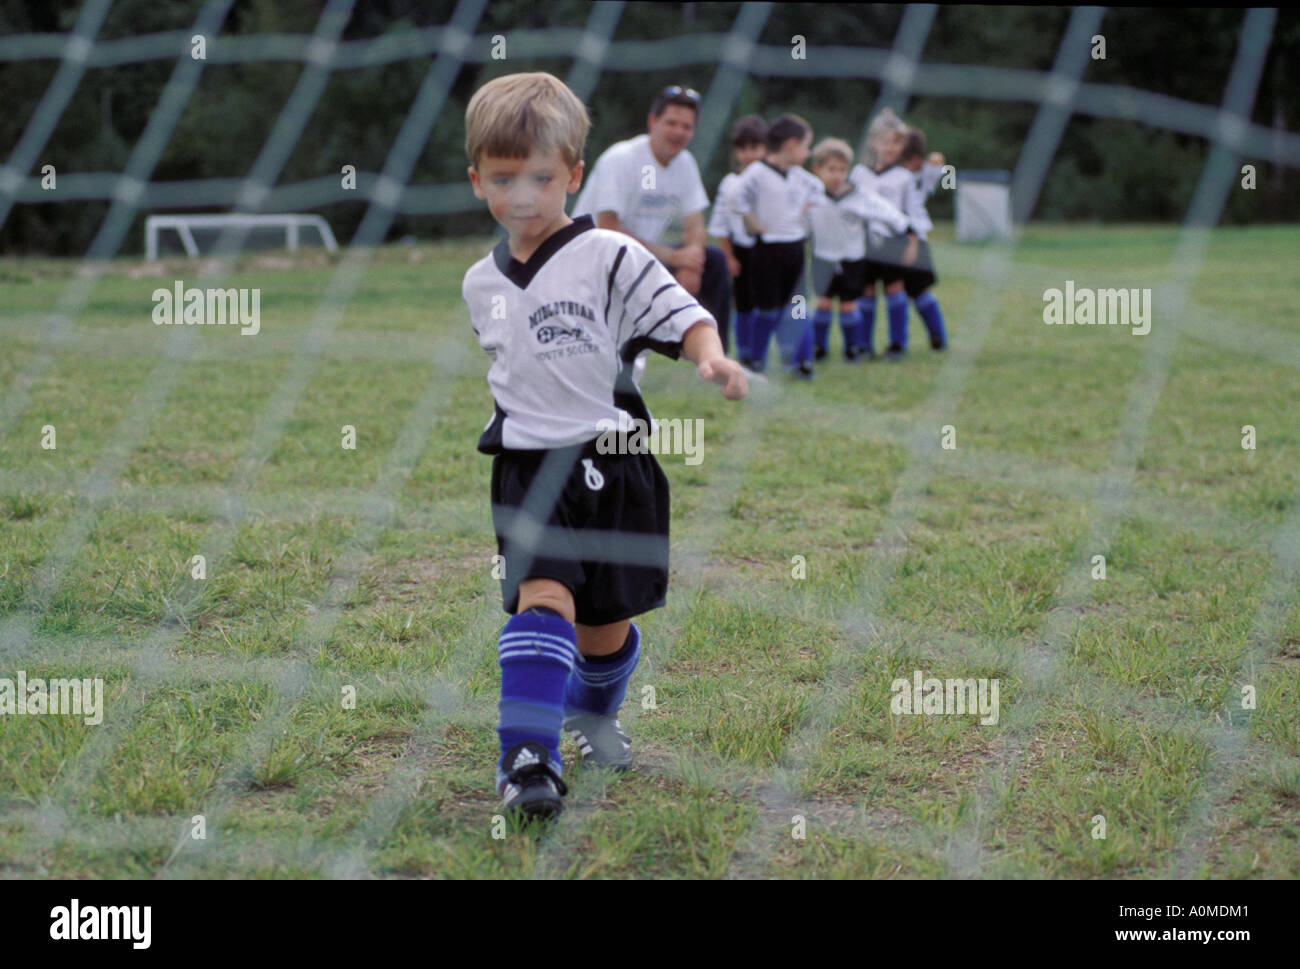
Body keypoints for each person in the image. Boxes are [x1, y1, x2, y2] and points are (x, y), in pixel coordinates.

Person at [461, 72, 748, 820]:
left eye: (541, 178)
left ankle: (592, 712)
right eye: (502, 178)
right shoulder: (476, 283)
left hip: (615, 467)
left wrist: (709, 354)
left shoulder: (610, 256)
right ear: (475, 180)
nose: (522, 195)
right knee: (542, 600)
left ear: (574, 176)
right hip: (528, 469)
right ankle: (528, 756)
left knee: (603, 634)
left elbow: (682, 312)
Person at [572, 85, 732, 352]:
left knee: (714, 261)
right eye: (671, 123)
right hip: (595, 257)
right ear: (653, 121)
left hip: (643, 258)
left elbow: (695, 226)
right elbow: (609, 229)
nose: (679, 132)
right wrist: (674, 257)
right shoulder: (621, 158)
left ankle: (715, 355)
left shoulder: (686, 164)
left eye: (687, 126)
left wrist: (690, 262)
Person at [731, 113, 823, 377]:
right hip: (767, 250)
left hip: (794, 249)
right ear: (791, 144)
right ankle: (756, 361)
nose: (808, 152)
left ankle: (801, 361)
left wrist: (801, 212)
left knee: (796, 307)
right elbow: (734, 197)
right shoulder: (757, 172)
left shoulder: (800, 176)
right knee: (767, 310)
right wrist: (752, 221)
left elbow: (818, 190)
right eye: (806, 146)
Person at [806, 137, 908, 361]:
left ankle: (852, 347)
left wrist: (901, 225)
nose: (837, 175)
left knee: (848, 305)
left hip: (851, 259)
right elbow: (800, 222)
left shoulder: (857, 195)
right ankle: (818, 347)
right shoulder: (810, 195)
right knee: (822, 302)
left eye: (842, 170)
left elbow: (886, 211)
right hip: (822, 257)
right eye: (831, 169)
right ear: (817, 169)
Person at [707, 115, 767, 363]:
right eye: (743, 148)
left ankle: (789, 349)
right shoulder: (730, 183)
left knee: (789, 302)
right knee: (744, 304)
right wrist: (729, 256)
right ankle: (745, 353)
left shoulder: (775, 181)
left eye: (755, 147)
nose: (749, 154)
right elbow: (720, 223)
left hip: (774, 252)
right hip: (742, 251)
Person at [850, 109, 908, 356]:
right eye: (886, 142)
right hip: (863, 240)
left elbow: (911, 211)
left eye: (897, 143)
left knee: (894, 289)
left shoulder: (904, 177)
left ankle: (897, 344)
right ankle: (864, 345)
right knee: (867, 291)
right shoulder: (858, 174)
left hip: (893, 240)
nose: (891, 148)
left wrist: (911, 238)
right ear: (873, 142)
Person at [899, 128, 949, 350]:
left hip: (914, 238)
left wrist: (933, 160)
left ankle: (937, 336)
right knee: (892, 293)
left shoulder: (921, 175)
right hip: (885, 238)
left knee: (918, 291)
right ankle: (897, 342)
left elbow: (938, 164)